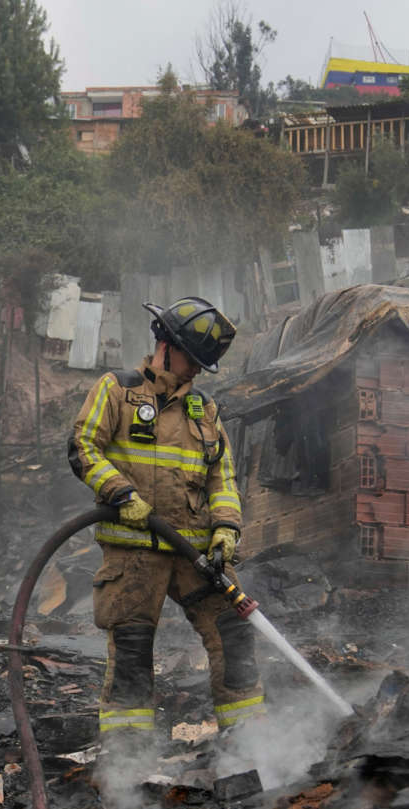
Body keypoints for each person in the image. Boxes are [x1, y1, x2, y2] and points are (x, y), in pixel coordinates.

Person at [68, 297, 265, 757]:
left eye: (202, 364)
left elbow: (223, 477)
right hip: (134, 551)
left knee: (235, 635)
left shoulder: (204, 409)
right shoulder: (117, 389)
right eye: (192, 360)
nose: (195, 371)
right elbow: (82, 448)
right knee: (134, 651)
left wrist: (226, 529)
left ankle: (250, 745)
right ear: (165, 346)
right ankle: (129, 761)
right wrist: (120, 493)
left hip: (195, 552)